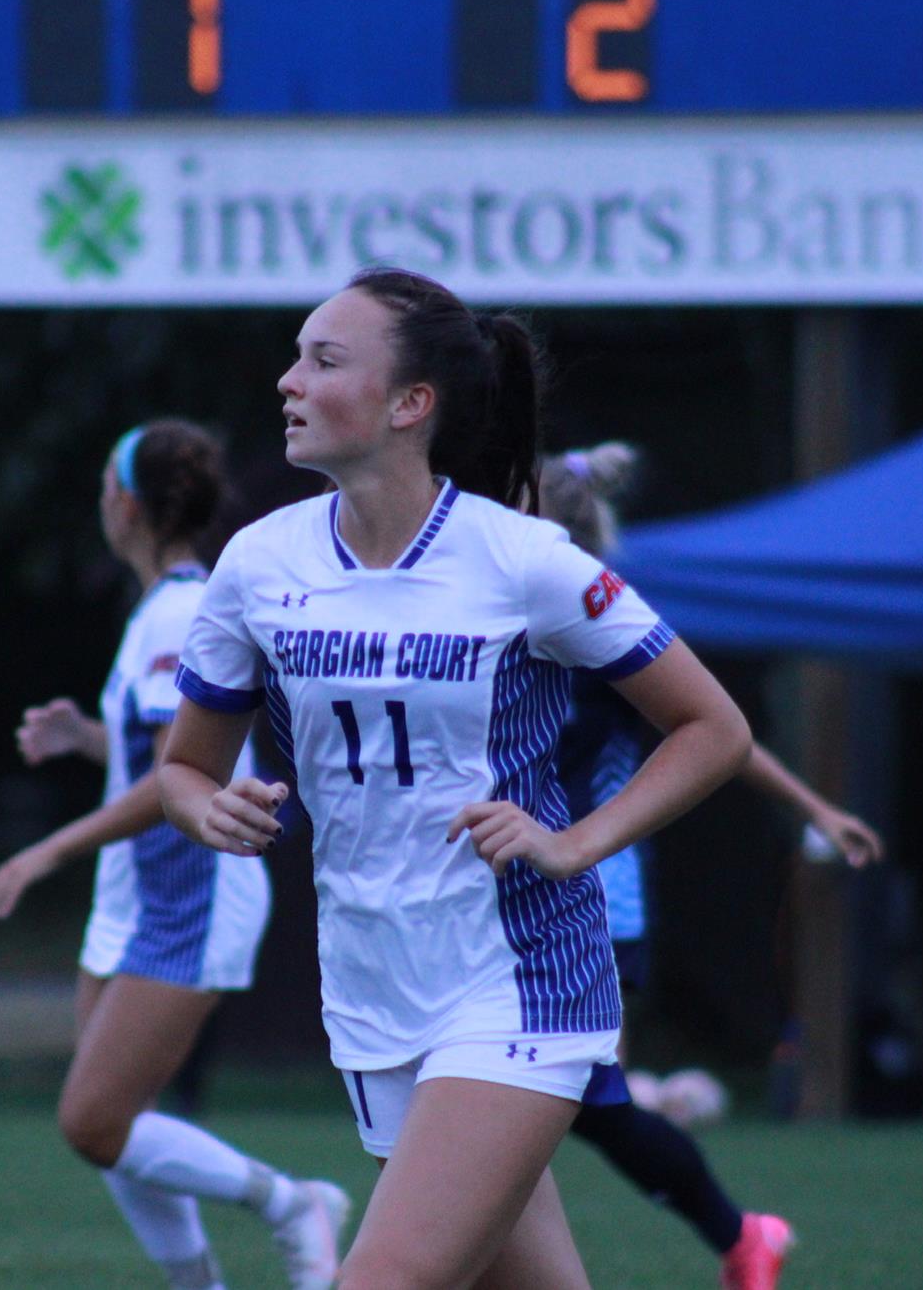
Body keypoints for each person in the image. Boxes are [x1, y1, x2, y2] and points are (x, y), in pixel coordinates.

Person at [158, 267, 753, 1288]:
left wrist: (575, 841)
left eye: (323, 358)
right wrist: (209, 809)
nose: (287, 380)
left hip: (516, 978)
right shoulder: (256, 565)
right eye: (296, 355)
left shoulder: (524, 560)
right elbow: (183, 768)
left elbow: (711, 726)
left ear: (409, 404)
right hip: (374, 979)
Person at [0, 419, 349, 1290]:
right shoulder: (164, 608)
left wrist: (46, 851)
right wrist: (87, 738)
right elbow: (164, 758)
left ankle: (294, 1204)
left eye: (106, 481)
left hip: (193, 889)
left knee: (94, 1121)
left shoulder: (180, 610)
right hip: (145, 893)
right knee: (113, 1123)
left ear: (126, 502)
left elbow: (179, 780)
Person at [540, 443, 883, 1289]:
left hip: (595, 900)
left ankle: (740, 1231)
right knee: (547, 1106)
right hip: (519, 894)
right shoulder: (506, 622)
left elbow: (719, 732)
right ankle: (738, 1233)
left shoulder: (593, 623)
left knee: (568, 1105)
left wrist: (815, 808)